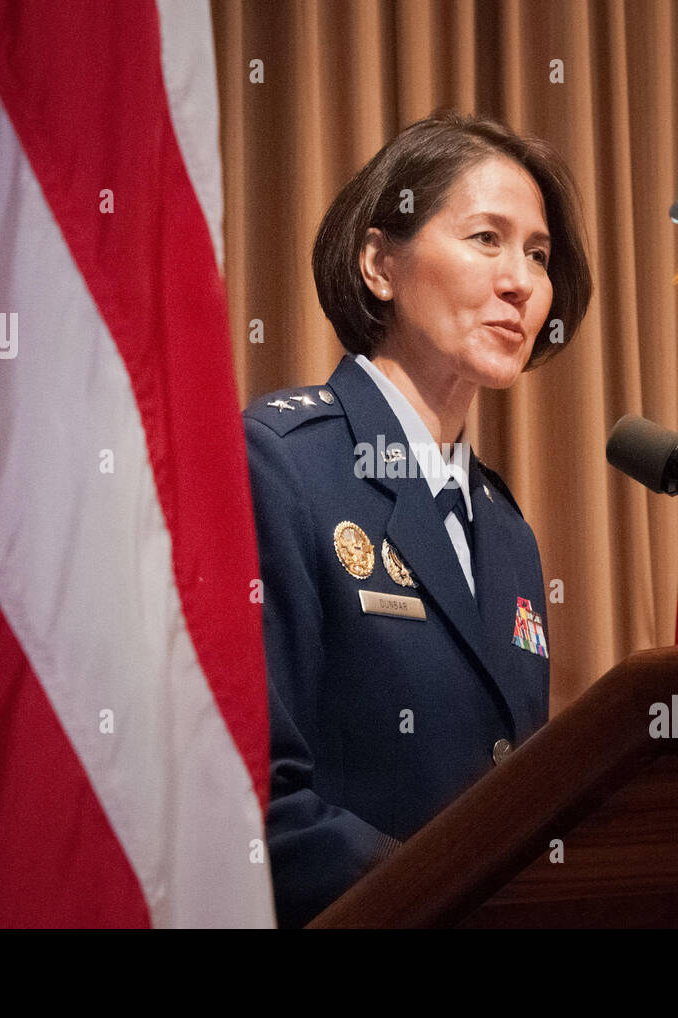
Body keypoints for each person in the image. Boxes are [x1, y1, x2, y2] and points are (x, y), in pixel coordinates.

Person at [243, 110, 592, 928]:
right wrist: (454, 900)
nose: (521, 282)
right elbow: (256, 801)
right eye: (486, 239)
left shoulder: (505, 531)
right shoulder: (281, 465)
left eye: (538, 256)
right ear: (379, 263)